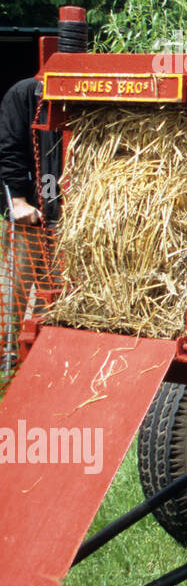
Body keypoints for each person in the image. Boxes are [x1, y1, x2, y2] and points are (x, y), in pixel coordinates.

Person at [0, 77, 62, 372]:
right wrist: (19, 202)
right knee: (16, 290)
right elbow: (9, 150)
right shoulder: (24, 94)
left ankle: (42, 357)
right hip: (30, 216)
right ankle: (6, 358)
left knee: (57, 292)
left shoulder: (81, 98)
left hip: (65, 219)